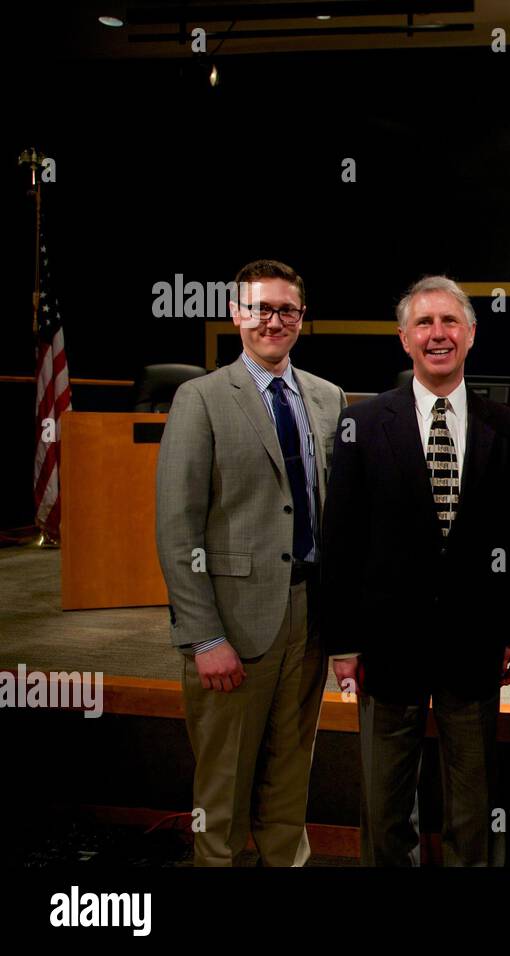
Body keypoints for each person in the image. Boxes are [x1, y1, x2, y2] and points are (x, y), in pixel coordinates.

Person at [321, 276, 510, 866]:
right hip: (386, 644)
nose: (437, 334)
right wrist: (344, 642)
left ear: (469, 335)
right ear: (404, 339)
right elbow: (340, 542)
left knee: (475, 800)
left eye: (449, 323)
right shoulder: (361, 425)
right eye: (425, 324)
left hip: (475, 642)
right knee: (385, 803)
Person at [155, 258, 347, 866]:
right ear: (237, 315)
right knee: (224, 791)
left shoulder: (328, 397)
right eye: (259, 308)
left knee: (291, 778)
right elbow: (176, 526)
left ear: (301, 318)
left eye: (286, 309)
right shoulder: (201, 399)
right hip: (233, 627)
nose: (273, 320)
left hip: (310, 618)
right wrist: (203, 635)